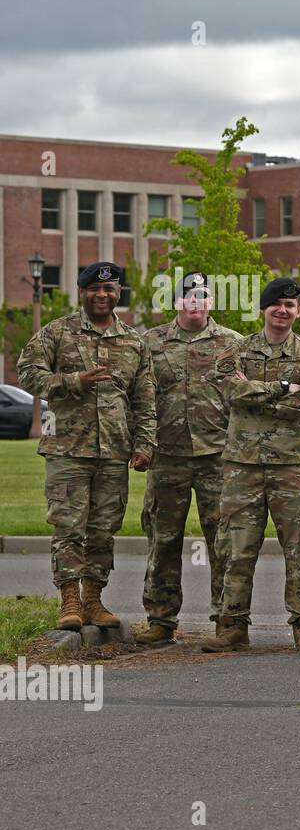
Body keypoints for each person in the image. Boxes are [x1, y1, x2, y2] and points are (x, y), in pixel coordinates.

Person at [18, 260, 155, 633]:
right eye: (95, 289)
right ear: (82, 292)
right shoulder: (57, 333)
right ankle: (70, 601)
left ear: (118, 294)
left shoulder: (134, 342)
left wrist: (144, 444)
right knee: (67, 527)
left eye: (109, 289)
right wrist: (74, 381)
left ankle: (94, 599)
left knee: (103, 529)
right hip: (67, 450)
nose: (102, 295)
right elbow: (28, 373)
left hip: (113, 452)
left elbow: (144, 399)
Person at [206, 276, 300, 653]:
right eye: (276, 303)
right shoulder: (236, 352)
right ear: (264, 309)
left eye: (290, 305)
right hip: (243, 466)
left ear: (299, 311)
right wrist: (280, 389)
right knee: (236, 548)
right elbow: (228, 392)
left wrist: (255, 396)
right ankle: (232, 626)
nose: (282, 310)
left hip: (294, 465)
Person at [134, 272, 241, 647]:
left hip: (219, 457)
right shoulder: (150, 343)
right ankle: (161, 619)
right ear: (176, 301)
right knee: (163, 540)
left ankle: (227, 618)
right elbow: (139, 398)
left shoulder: (233, 344)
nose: (195, 302)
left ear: (211, 301)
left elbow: (243, 401)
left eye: (202, 296)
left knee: (223, 541)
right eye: (188, 296)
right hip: (168, 457)